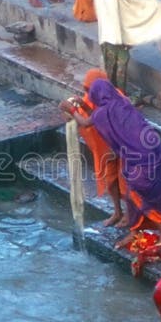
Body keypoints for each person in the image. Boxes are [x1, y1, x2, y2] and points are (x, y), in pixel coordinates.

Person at [64, 78, 161, 248]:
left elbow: (86, 122)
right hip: (152, 147)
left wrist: (70, 109)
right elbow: (97, 117)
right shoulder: (123, 102)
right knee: (135, 192)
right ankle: (136, 231)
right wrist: (82, 107)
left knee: (136, 193)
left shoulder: (102, 113)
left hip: (141, 156)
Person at [59, 69, 127, 227]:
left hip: (124, 147)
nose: (88, 93)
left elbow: (87, 121)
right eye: (86, 90)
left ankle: (130, 216)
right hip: (109, 149)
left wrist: (73, 110)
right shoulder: (92, 98)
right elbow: (89, 116)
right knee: (111, 182)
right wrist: (78, 106)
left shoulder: (117, 99)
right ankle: (117, 212)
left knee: (126, 185)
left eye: (90, 90)